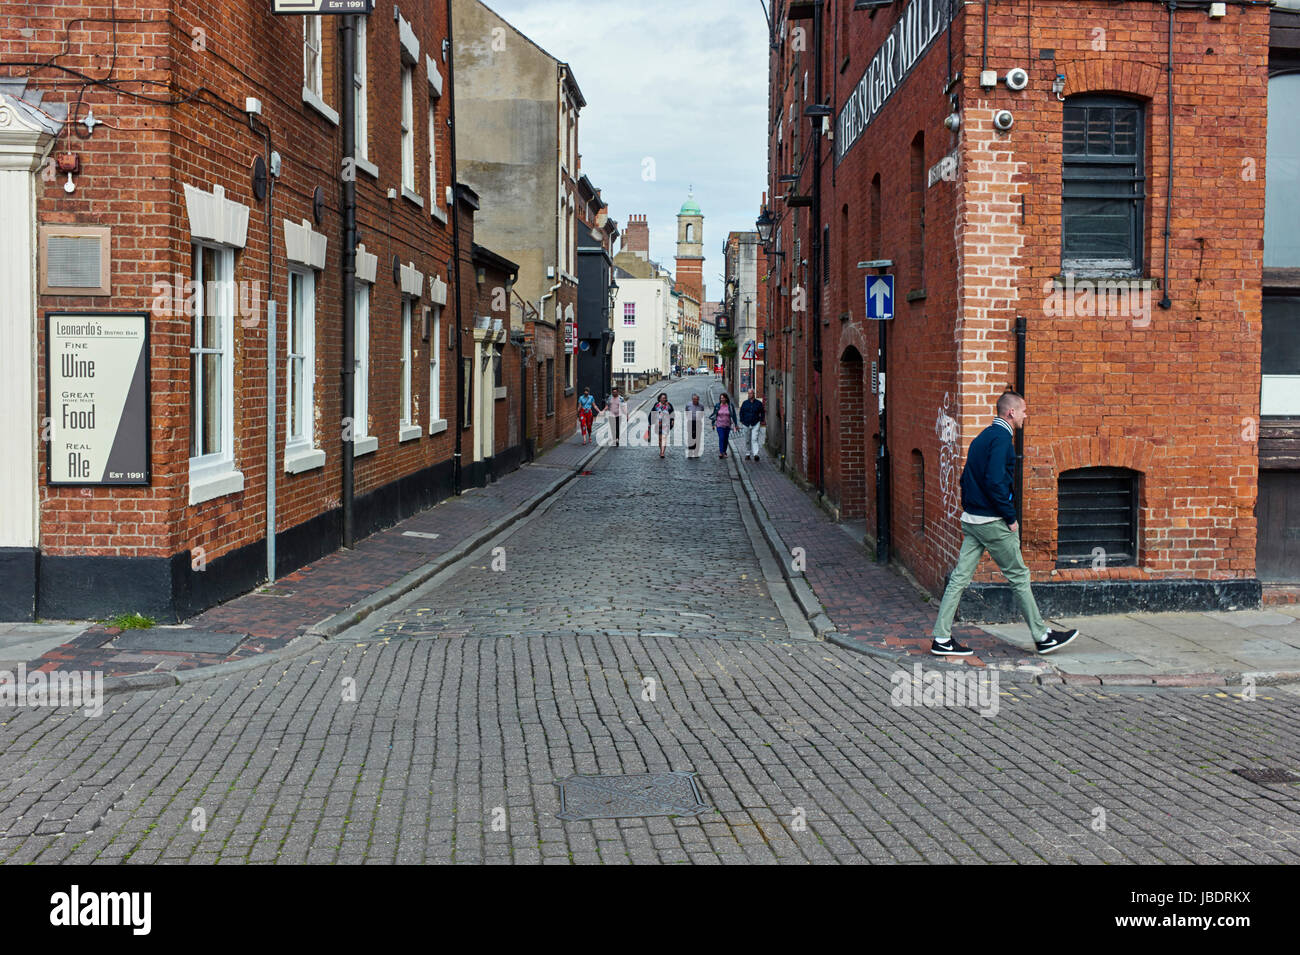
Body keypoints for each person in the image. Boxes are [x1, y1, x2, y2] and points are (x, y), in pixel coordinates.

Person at [930, 391, 1080, 657]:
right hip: (993, 521)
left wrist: (972, 509)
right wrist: (1010, 517)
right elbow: (995, 481)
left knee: (959, 579)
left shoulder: (983, 437)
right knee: (1019, 576)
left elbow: (965, 478)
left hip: (973, 520)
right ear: (1011, 412)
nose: (1026, 415)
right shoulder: (1002, 439)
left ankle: (941, 638)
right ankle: (1042, 636)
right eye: (1023, 410)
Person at [739, 390, 766, 461]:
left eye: (751, 393)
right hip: (746, 423)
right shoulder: (745, 403)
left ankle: (755, 454)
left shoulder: (758, 403)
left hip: (755, 423)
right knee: (747, 439)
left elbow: (762, 412)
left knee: (754, 438)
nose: (750, 394)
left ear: (754, 394)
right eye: (749, 393)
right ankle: (748, 453)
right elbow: (741, 412)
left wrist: (761, 419)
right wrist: (742, 420)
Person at [647, 392, 674, 458]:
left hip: (666, 424)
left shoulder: (669, 405)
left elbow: (672, 413)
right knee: (660, 439)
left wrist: (672, 420)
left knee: (664, 438)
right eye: (663, 398)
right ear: (659, 399)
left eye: (665, 398)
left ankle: (662, 452)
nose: (664, 399)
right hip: (658, 424)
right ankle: (661, 449)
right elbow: (651, 413)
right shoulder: (656, 405)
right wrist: (650, 423)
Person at [710, 392, 735, 458]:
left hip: (727, 425)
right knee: (721, 438)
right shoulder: (717, 405)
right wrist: (713, 424)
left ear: (726, 398)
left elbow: (734, 415)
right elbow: (714, 415)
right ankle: (721, 453)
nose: (722, 399)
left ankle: (724, 451)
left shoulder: (730, 406)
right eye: (721, 398)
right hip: (719, 425)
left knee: (726, 439)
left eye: (723, 398)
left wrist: (736, 424)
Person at [683, 394, 708, 459]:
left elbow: (702, 414)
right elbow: (686, 412)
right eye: (694, 399)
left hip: (698, 423)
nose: (695, 400)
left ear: (698, 400)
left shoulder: (701, 406)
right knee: (690, 438)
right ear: (692, 399)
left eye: (696, 399)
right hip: (690, 422)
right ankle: (690, 453)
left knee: (697, 438)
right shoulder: (688, 405)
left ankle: (696, 453)